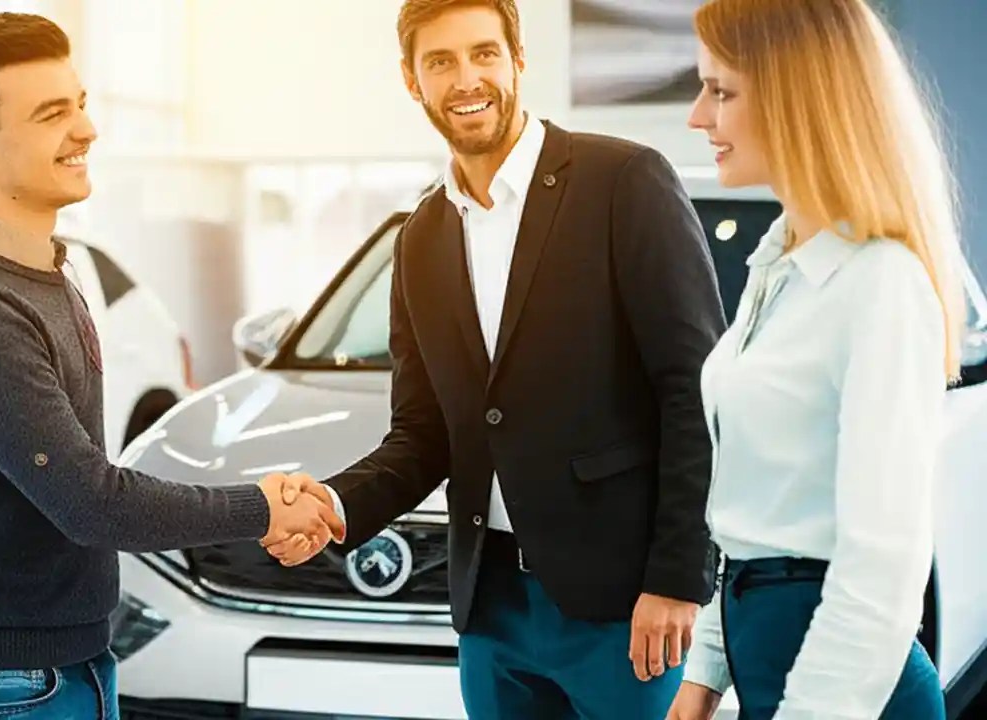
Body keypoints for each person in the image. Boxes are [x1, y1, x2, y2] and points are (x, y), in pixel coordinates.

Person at [263, 0, 726, 716]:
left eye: (483, 53)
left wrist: (677, 576)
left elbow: (693, 392)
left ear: (518, 60)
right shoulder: (420, 237)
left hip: (623, 605)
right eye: (440, 62)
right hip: (490, 609)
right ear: (412, 80)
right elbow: (422, 435)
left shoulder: (622, 182)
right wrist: (333, 504)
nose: (465, 78)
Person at [0, 13, 342, 720]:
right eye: (52, 114)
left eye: (79, 103)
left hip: (53, 666)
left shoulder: (40, 271)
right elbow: (90, 501)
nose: (86, 130)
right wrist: (263, 506)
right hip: (3, 684)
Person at [667, 1, 964, 718]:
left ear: (798, 97)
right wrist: (703, 676)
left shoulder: (879, 284)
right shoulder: (779, 266)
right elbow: (752, 518)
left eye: (722, 91)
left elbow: (883, 572)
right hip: (770, 666)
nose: (697, 117)